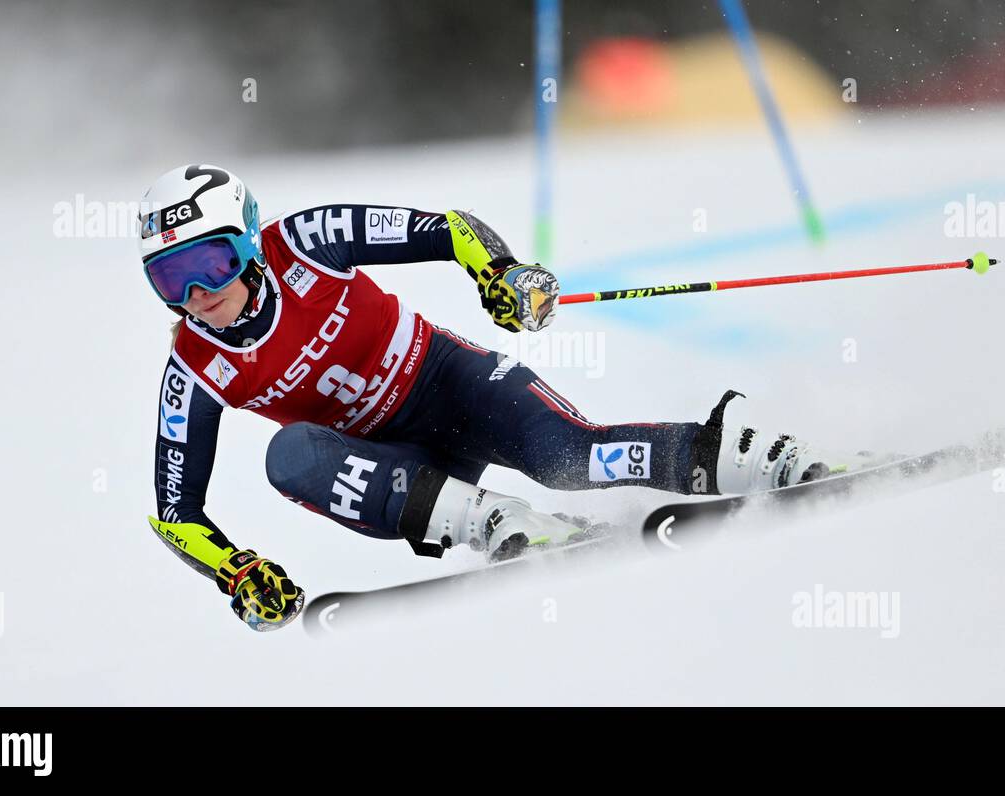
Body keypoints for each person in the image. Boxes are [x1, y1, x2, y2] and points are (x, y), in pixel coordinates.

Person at [142, 164, 830, 631]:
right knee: (288, 456)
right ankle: (493, 521)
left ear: (249, 244)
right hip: (403, 469)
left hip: (451, 383)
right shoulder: (195, 367)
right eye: (171, 278)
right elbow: (176, 512)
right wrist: (238, 572)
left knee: (570, 455)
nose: (199, 295)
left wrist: (501, 274)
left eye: (213, 262)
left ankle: (756, 459)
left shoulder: (306, 241)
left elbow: (450, 228)